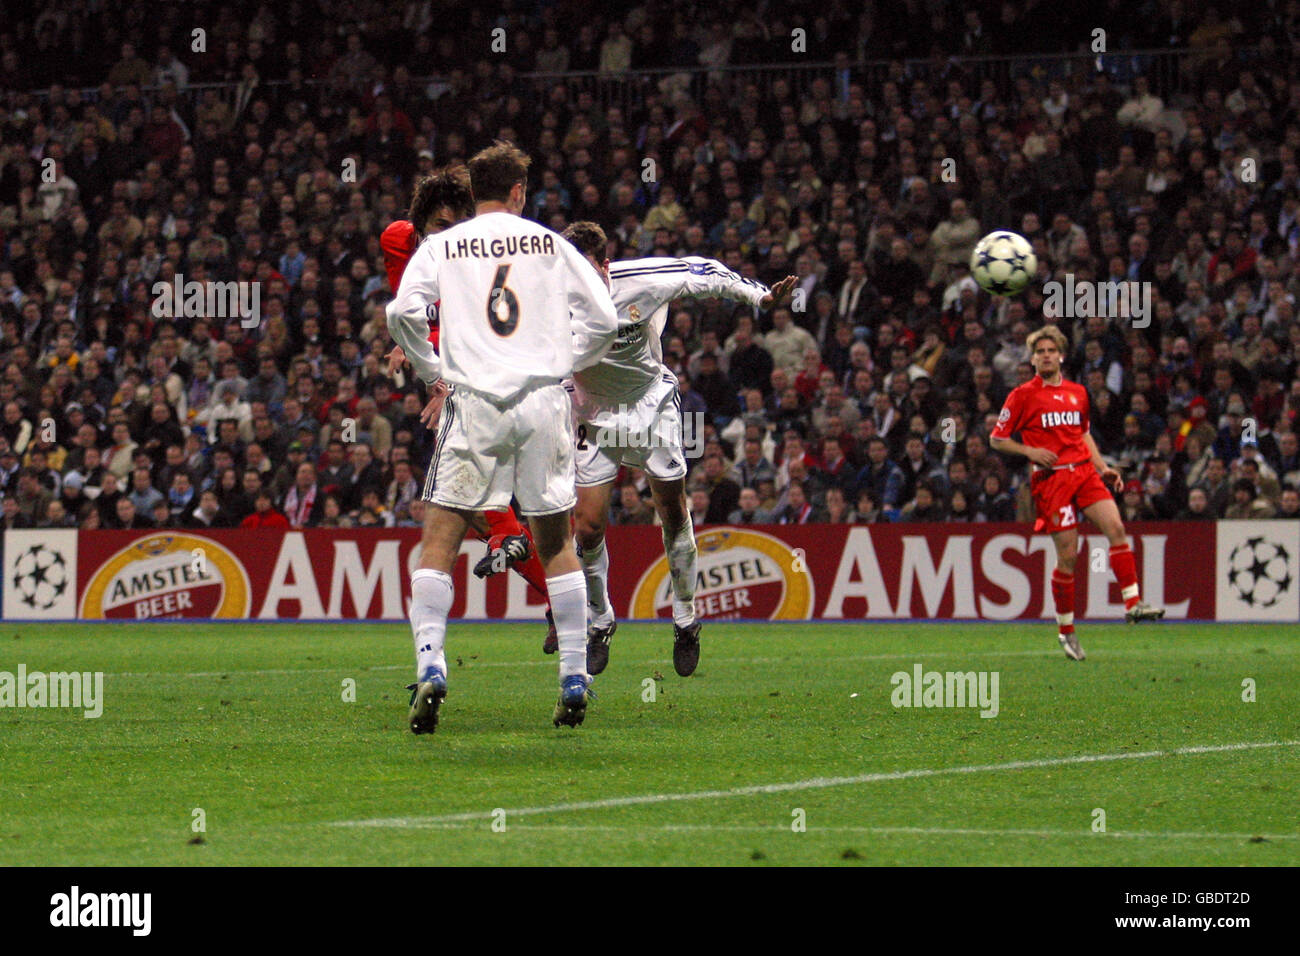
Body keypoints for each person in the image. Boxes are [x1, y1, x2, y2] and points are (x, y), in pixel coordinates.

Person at [386, 141, 618, 733]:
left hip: (474, 401)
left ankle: (433, 666)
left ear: (475, 193)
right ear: (519, 192)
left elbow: (402, 314)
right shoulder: (551, 243)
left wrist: (431, 371)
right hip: (541, 402)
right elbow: (606, 321)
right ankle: (573, 676)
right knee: (556, 542)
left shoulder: (442, 243)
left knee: (439, 536)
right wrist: (565, 360)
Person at [559, 220, 795, 675]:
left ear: (606, 266)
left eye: (587, 274)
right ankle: (601, 619)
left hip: (652, 405)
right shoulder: (551, 291)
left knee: (672, 510)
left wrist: (760, 297)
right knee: (587, 527)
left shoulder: (643, 279)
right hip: (592, 410)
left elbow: (704, 271)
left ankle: (686, 616)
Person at [381, 165, 558, 651]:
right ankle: (556, 597)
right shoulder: (399, 242)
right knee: (480, 512)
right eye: (440, 225)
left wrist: (436, 370)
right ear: (418, 224)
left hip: (496, 371)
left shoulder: (477, 257)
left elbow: (475, 323)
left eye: (459, 223)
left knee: (484, 502)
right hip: (444, 374)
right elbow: (411, 310)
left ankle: (535, 565)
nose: (452, 234)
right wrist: (410, 347)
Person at [990, 324, 1164, 661]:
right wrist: (1029, 452)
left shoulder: (1078, 392)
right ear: (1033, 358)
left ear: (1061, 355)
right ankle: (1066, 631)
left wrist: (1103, 467)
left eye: (1050, 351)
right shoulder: (1022, 395)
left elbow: (1083, 434)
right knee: (1069, 554)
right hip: (1052, 480)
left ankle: (1132, 603)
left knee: (1116, 528)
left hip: (1084, 472)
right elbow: (997, 438)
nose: (1045, 356)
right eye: (1039, 352)